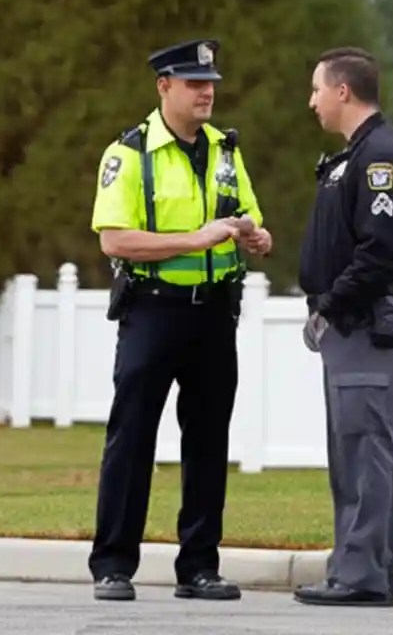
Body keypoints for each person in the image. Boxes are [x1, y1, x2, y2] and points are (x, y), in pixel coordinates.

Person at [88, 38, 272, 602]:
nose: (207, 92)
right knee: (133, 437)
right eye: (194, 83)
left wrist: (257, 237)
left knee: (208, 441)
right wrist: (193, 239)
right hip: (153, 310)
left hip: (214, 313)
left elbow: (249, 220)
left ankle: (199, 566)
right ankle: (114, 564)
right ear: (164, 86)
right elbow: (114, 238)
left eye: (211, 83)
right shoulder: (130, 154)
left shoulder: (225, 150)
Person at [294, 47, 393, 607]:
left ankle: (363, 574)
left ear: (343, 91)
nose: (312, 100)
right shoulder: (357, 155)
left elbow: (383, 251)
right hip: (348, 326)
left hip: (363, 325)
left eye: (318, 89)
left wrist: (331, 303)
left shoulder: (380, 159)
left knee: (364, 453)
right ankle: (356, 566)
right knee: (353, 452)